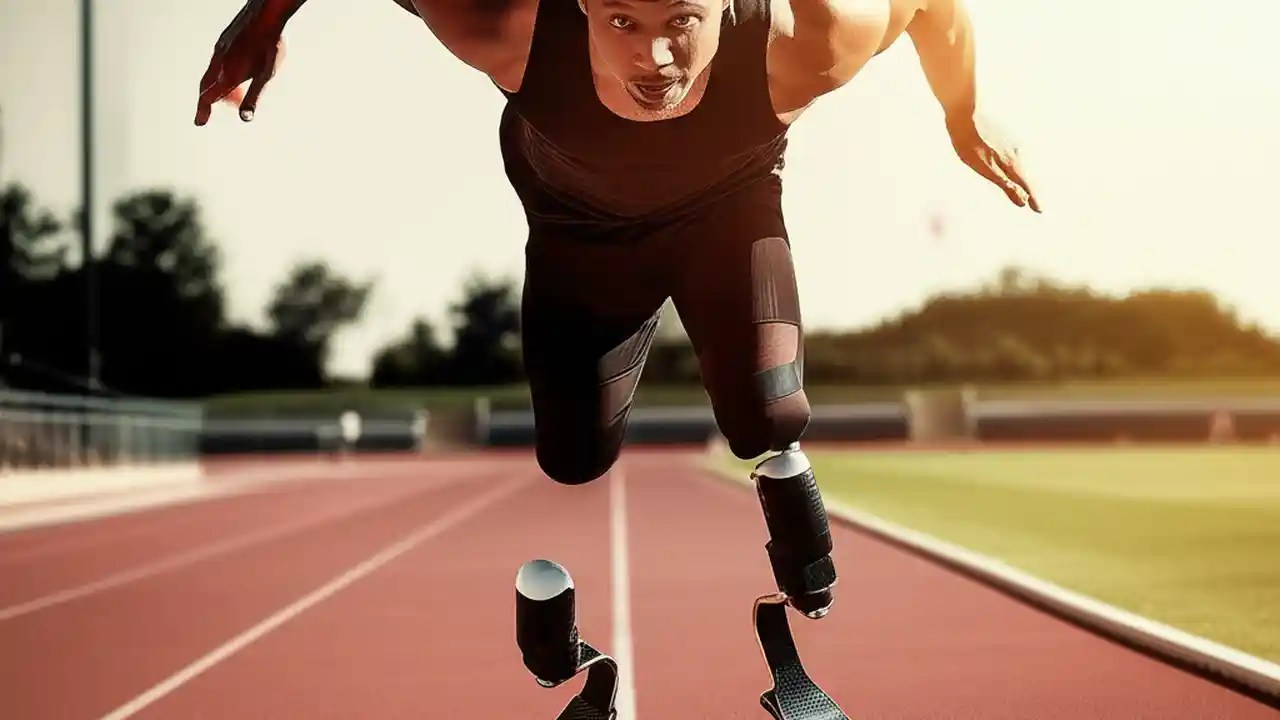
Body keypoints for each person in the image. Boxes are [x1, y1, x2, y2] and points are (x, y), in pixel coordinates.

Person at [194, 0, 1038, 617]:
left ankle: (794, 511)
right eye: (623, 22)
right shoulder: (508, 28)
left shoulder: (807, 39)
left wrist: (962, 111)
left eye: (682, 20)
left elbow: (930, 5)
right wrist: (263, 22)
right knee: (572, 462)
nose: (656, 58)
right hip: (579, 236)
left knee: (770, 417)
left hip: (728, 217)